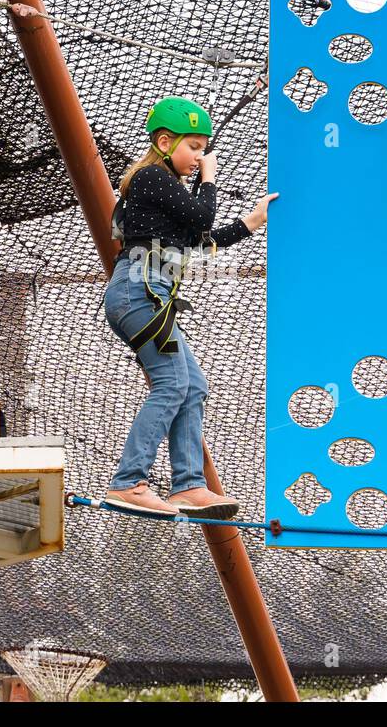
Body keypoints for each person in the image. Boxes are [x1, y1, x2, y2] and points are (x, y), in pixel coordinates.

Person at [102, 96, 277, 518]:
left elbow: (195, 239)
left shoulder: (161, 193)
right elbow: (200, 218)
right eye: (193, 147)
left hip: (151, 297)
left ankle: (188, 485)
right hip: (139, 293)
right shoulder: (150, 179)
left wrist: (250, 224)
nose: (199, 157)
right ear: (164, 142)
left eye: (202, 149)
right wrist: (209, 180)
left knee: (192, 385)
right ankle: (129, 481)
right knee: (172, 384)